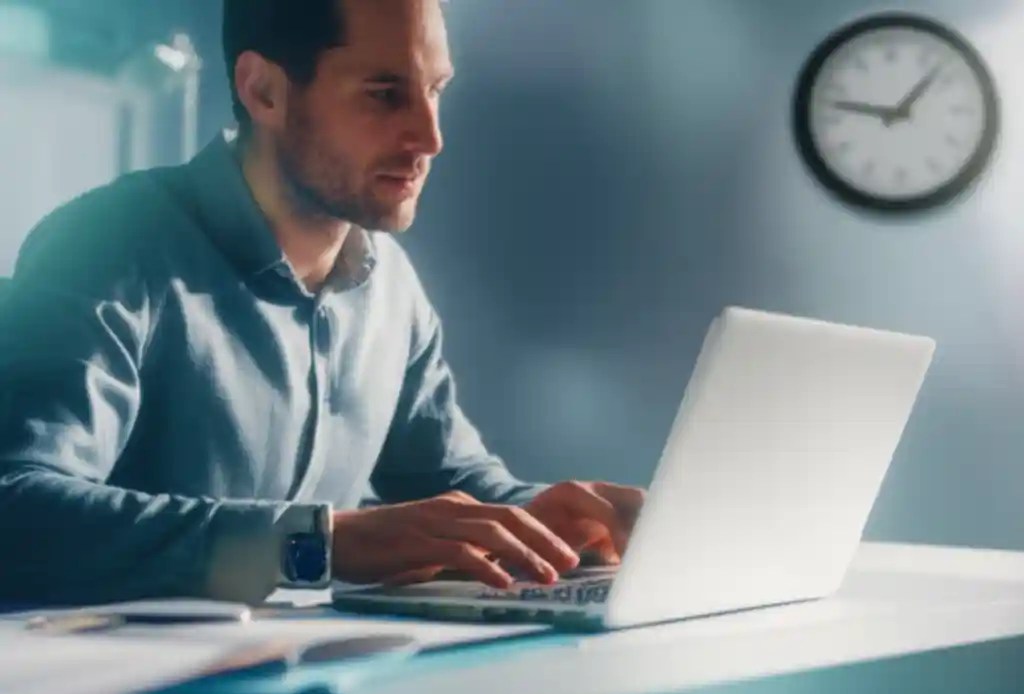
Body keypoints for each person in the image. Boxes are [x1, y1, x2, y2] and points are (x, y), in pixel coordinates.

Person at [0, 0, 643, 604]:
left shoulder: (390, 286)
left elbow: (451, 489)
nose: (430, 137)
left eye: (436, 91)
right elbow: (16, 508)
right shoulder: (110, 247)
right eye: (384, 94)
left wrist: (562, 522)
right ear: (264, 92)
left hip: (306, 671)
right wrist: (319, 545)